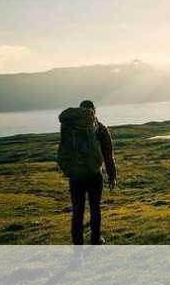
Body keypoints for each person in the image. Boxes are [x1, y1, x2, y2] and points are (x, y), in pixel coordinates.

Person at [58, 100, 117, 245]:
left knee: (78, 211)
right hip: (94, 174)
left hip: (76, 176)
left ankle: (77, 244)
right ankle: (95, 239)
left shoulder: (70, 127)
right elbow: (108, 154)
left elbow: (65, 148)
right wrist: (112, 176)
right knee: (95, 208)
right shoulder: (100, 128)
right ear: (93, 111)